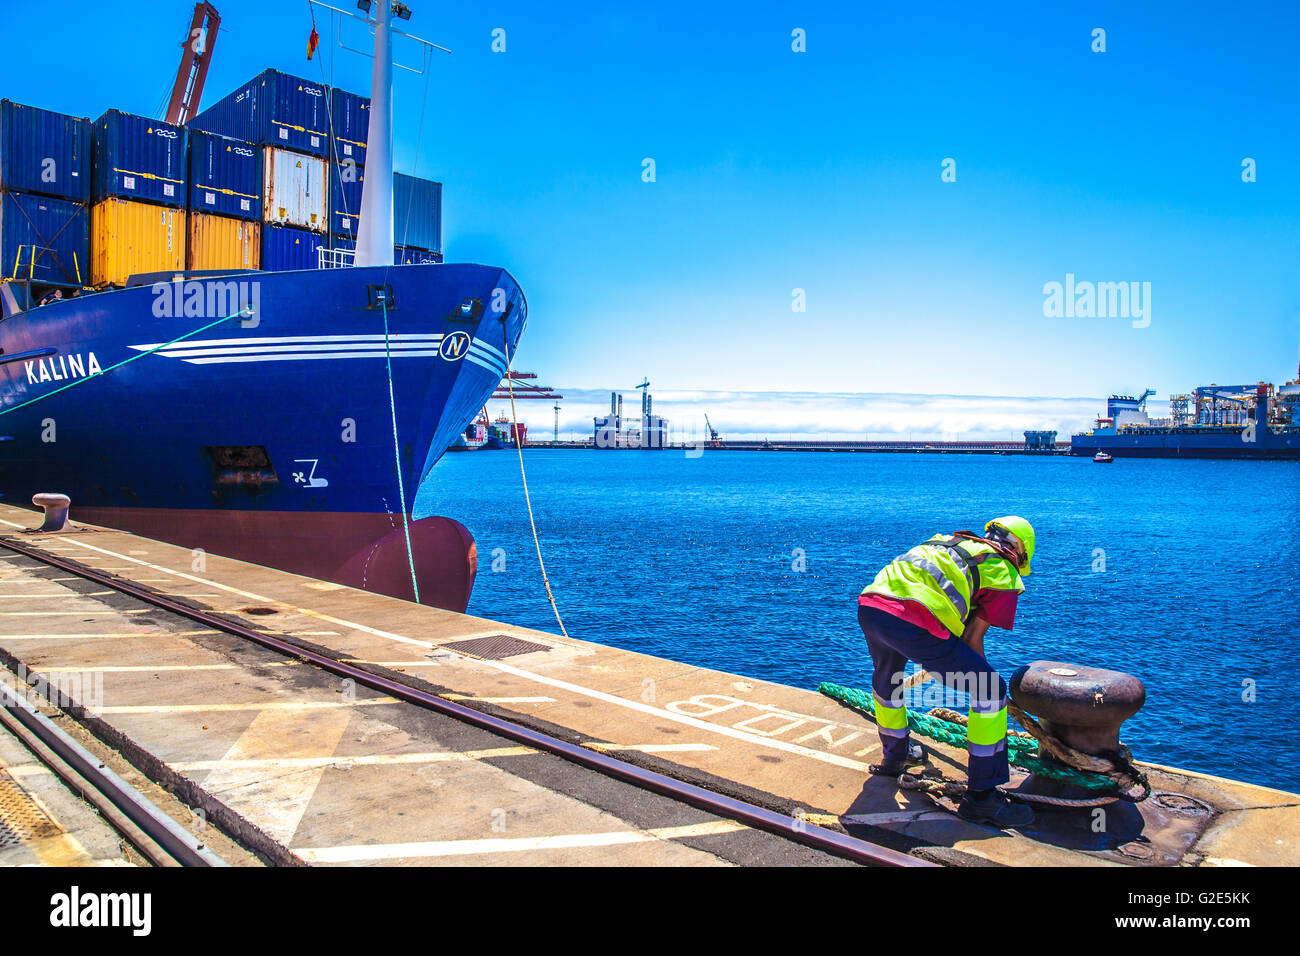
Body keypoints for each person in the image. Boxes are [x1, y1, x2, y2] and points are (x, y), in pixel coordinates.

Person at [858, 516, 1036, 828]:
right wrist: (983, 679)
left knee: (888, 679)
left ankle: (894, 757)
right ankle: (982, 798)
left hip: (872, 606)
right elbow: (972, 639)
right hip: (912, 621)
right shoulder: (1002, 569)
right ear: (1020, 554)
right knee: (991, 691)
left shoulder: (946, 541)